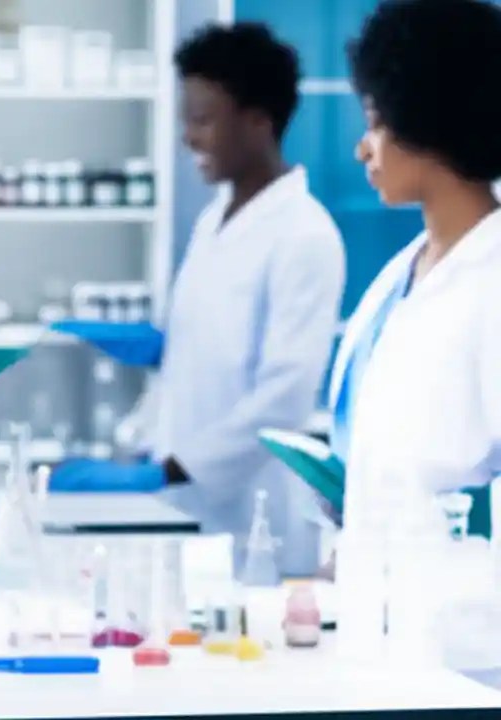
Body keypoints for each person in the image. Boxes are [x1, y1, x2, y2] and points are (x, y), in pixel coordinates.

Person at [51, 23, 346, 578]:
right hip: (186, 509)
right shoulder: (215, 220)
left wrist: (166, 471)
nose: (188, 138)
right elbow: (218, 349)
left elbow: (283, 401)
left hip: (255, 519)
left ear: (258, 122)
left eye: (204, 120)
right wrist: (165, 349)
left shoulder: (304, 234)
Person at [333, 0, 501, 543]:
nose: (362, 149)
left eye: (375, 124)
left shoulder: (492, 280)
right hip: (379, 583)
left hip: (462, 592)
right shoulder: (402, 274)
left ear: (430, 121)